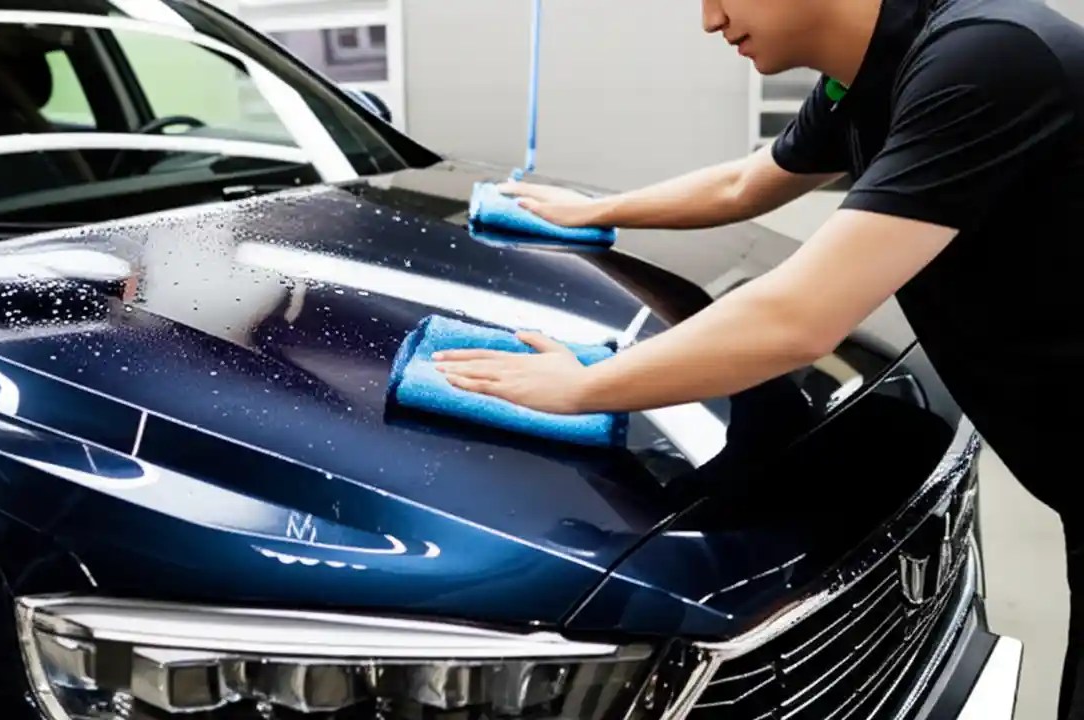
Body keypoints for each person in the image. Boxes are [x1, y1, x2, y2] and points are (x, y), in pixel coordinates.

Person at [430, 0, 1084, 714]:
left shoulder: (988, 59)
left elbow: (796, 320)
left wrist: (586, 386)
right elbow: (747, 184)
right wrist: (592, 212)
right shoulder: (867, 78)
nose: (710, 20)